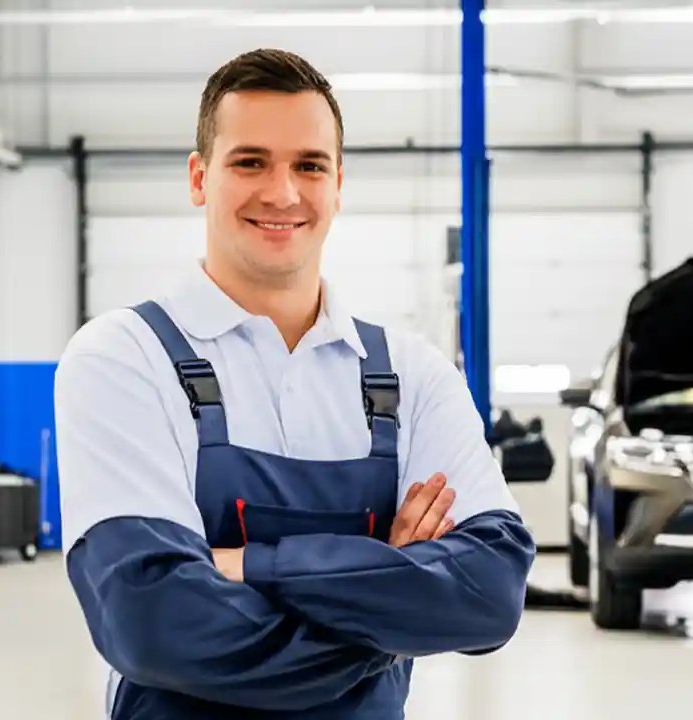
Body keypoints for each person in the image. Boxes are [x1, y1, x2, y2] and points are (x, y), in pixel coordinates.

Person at [55, 48, 536, 720]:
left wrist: (243, 566)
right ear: (199, 178)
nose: (282, 192)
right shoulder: (124, 358)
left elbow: (488, 593)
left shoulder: (412, 374)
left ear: (339, 183)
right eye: (250, 161)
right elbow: (151, 618)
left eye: (309, 165)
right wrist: (388, 610)